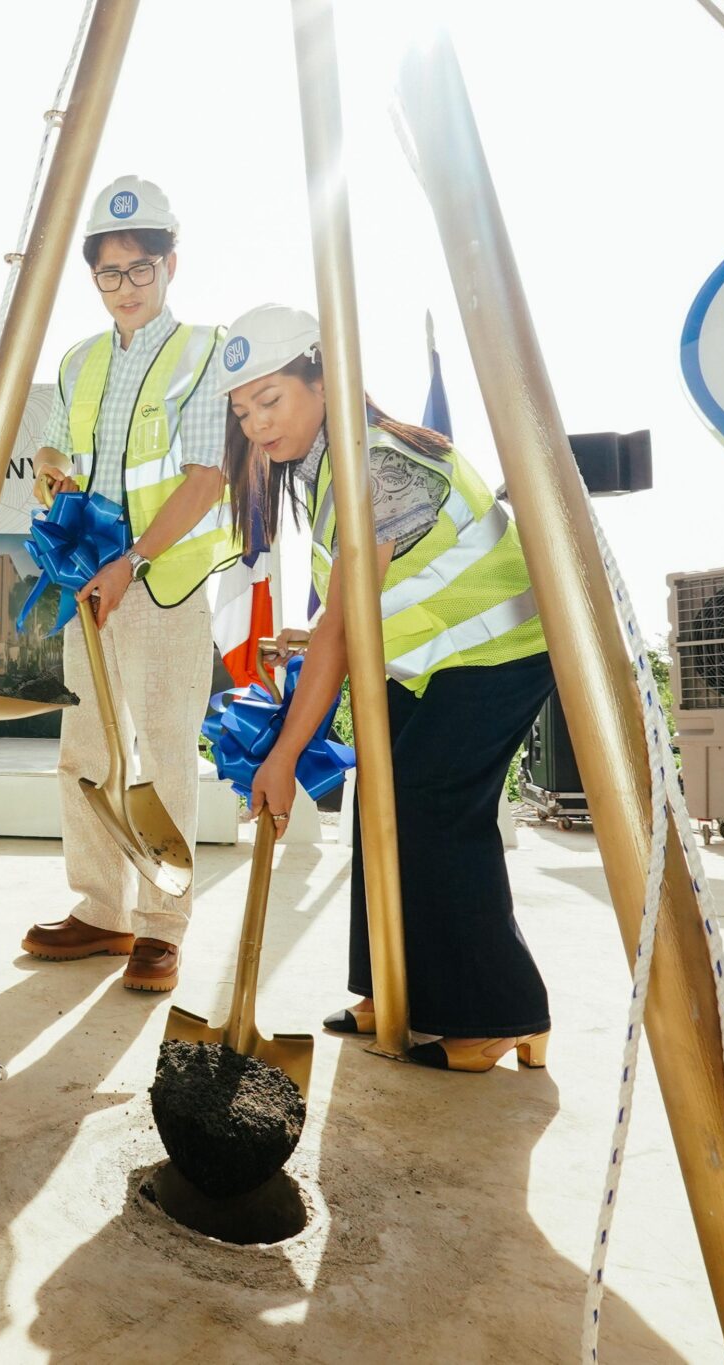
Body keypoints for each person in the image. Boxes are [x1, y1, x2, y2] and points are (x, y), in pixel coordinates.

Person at [212, 304, 553, 1073]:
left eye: (271, 400)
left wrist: (287, 755)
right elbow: (355, 608)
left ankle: (502, 1013)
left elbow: (342, 622)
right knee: (377, 804)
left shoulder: (374, 460)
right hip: (427, 660)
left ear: (324, 378)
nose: (258, 426)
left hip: (496, 653)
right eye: (243, 411)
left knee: (431, 806)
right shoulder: (324, 466)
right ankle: (386, 984)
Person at [18, 176, 239, 993]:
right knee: (88, 749)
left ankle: (161, 925)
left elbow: (205, 475)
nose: (125, 287)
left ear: (170, 263)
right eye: (109, 273)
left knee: (166, 751)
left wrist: (132, 560)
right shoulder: (78, 361)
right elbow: (51, 449)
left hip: (162, 584)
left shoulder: (206, 352)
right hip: (87, 584)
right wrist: (50, 474)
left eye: (139, 269)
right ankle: (102, 911)